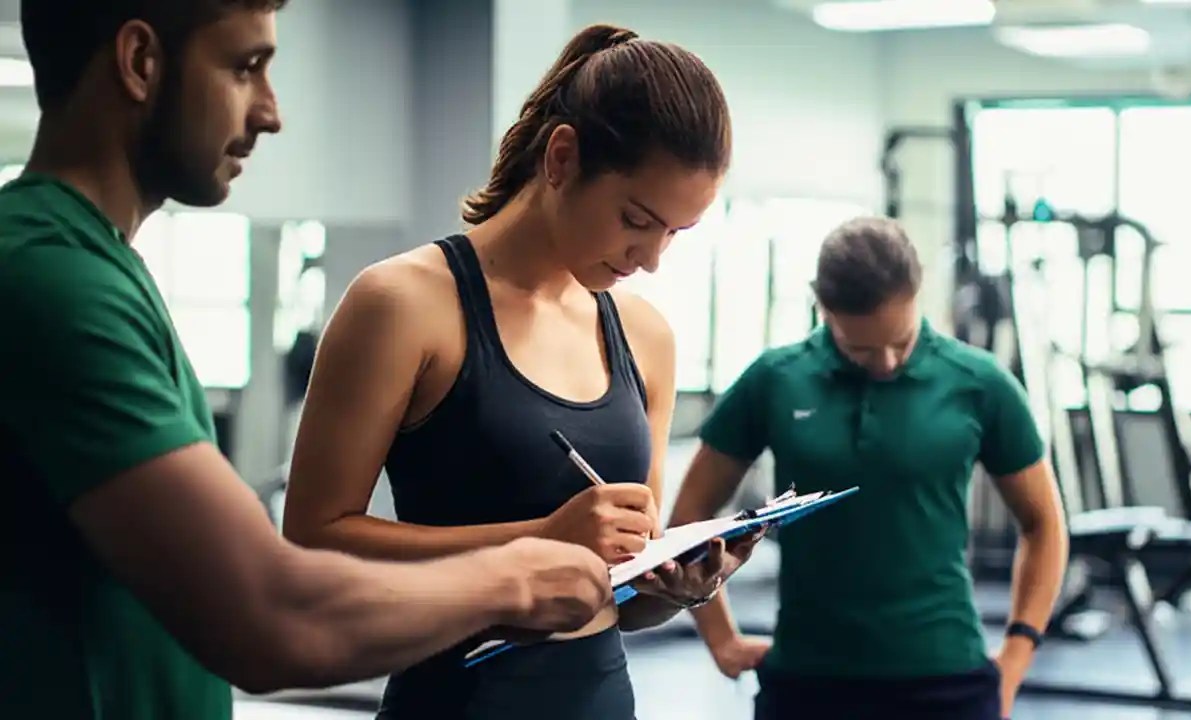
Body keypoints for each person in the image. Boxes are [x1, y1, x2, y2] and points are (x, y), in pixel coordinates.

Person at [0, 2, 616, 718]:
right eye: (245, 67)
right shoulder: (50, 278)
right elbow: (273, 617)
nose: (270, 113)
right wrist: (518, 577)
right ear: (140, 61)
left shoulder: (100, 267)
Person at [281, 23, 762, 720]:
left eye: (674, 234)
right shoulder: (403, 304)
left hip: (600, 699)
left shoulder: (644, 335)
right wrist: (539, 538)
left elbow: (622, 602)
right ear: (562, 157)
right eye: (636, 219)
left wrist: (679, 584)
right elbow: (310, 543)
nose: (650, 258)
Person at [669, 217, 1069, 720]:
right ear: (824, 308)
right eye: (861, 348)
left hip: (945, 678)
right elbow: (691, 514)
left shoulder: (980, 383)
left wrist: (1016, 655)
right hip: (806, 682)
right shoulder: (775, 379)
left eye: (899, 342)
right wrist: (720, 638)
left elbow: (1044, 523)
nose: (884, 362)